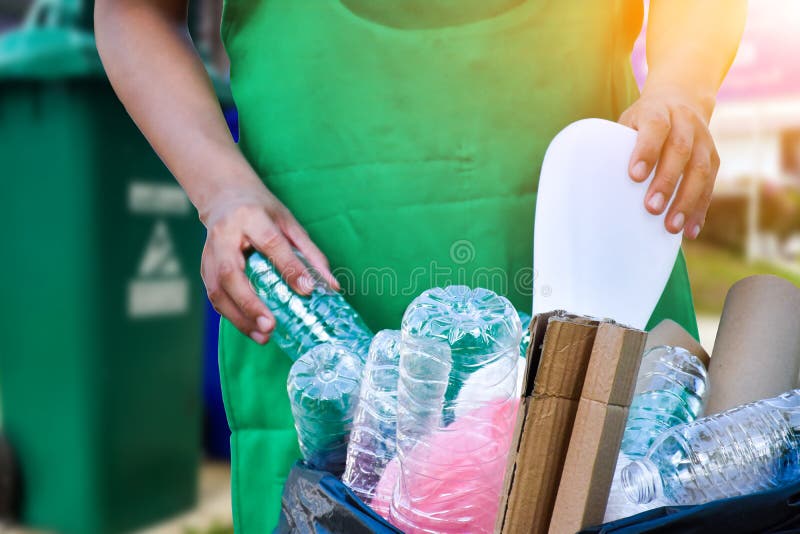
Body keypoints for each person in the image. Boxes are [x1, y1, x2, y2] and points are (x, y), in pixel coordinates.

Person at [95, 0, 746, 530]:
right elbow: (133, 9)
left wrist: (681, 91)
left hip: (601, 283)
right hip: (316, 308)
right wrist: (221, 191)